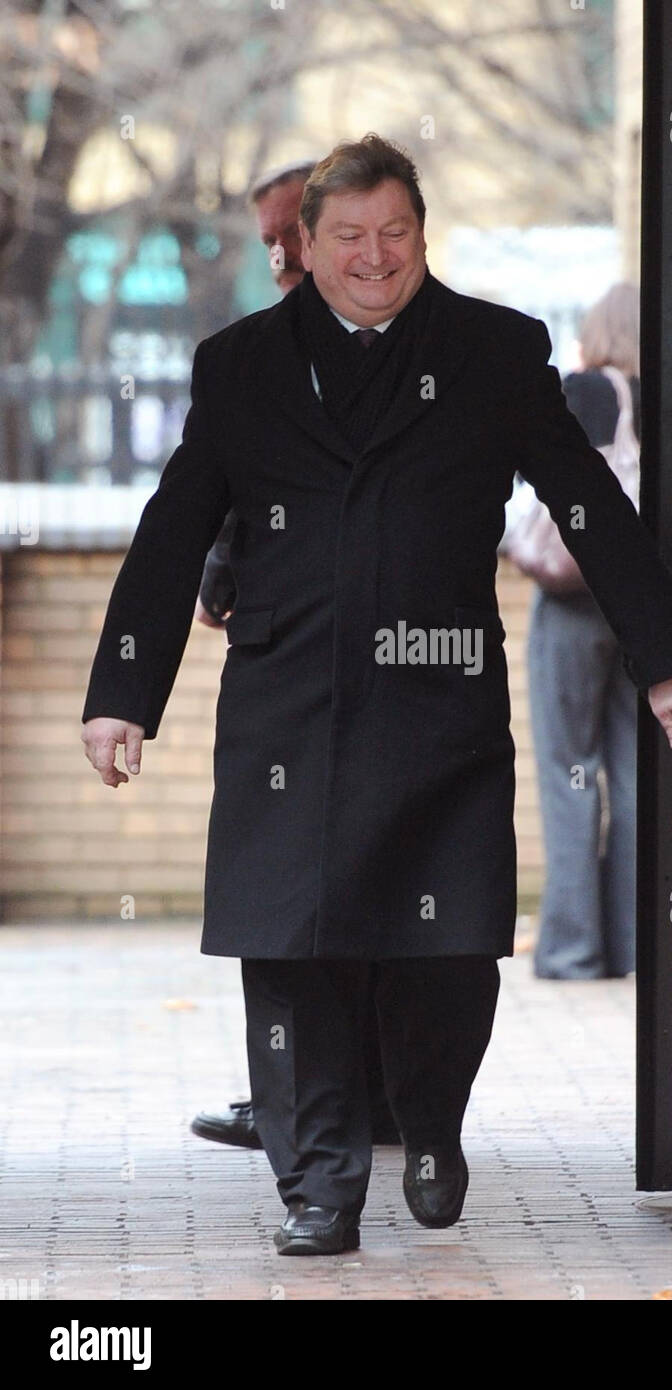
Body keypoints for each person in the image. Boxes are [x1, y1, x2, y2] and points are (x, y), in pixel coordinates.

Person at [81, 133, 672, 1256]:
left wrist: (665, 661)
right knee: (287, 948)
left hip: (438, 702)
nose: (374, 257)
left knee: (449, 948)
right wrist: (122, 692)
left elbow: (587, 506)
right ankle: (319, 1187)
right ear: (308, 247)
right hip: (285, 705)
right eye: (349, 237)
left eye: (396, 234)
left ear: (421, 234)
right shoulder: (238, 364)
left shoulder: (495, 350)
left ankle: (429, 1120)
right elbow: (174, 528)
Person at [187, 158, 400, 1151]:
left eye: (288, 237)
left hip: (377, 659)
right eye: (267, 242)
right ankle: (298, 1101)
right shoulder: (267, 348)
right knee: (288, 893)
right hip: (288, 656)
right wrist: (223, 562)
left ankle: (357, 1098)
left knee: (351, 890)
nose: (277, 255)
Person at [526, 283, 672, 979]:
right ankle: (634, 945)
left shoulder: (578, 391)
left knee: (568, 772)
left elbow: (538, 479)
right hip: (651, 605)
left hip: (574, 597)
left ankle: (572, 950)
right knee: (635, 776)